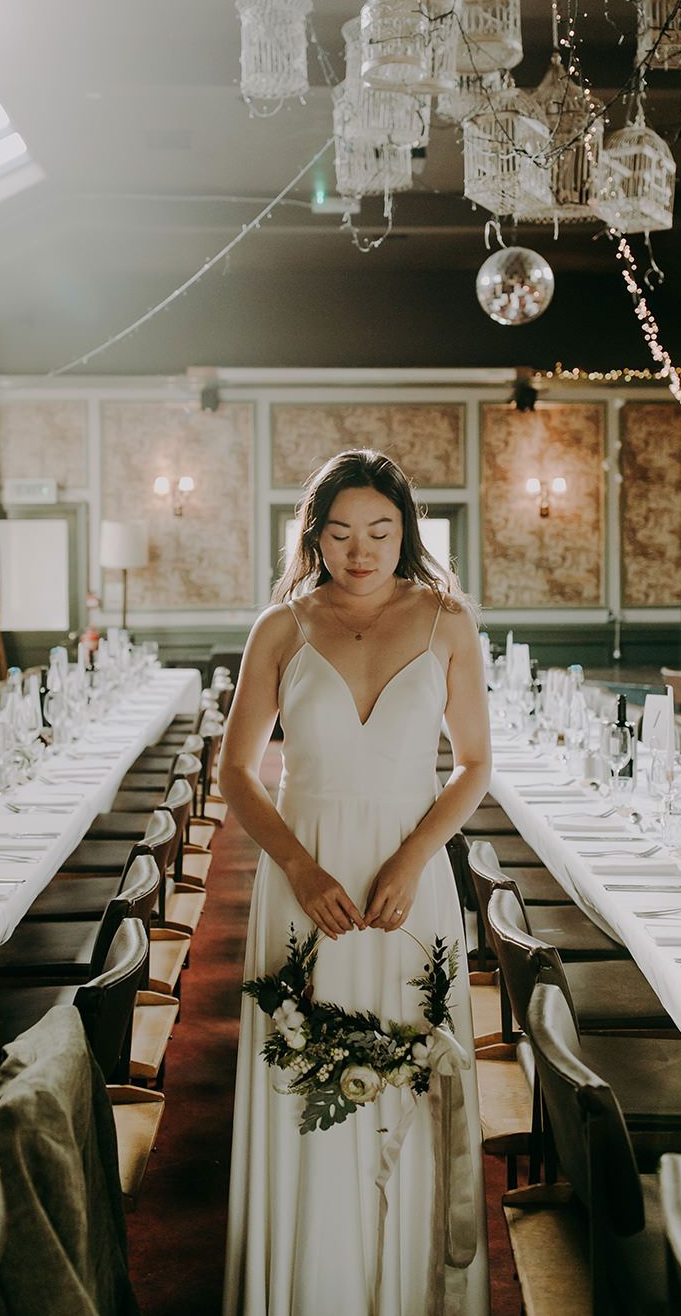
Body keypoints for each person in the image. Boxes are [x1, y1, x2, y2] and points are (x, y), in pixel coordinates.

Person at [220, 449, 491, 1316]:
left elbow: (476, 766)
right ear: (315, 533)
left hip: (410, 882)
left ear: (406, 529)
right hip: (306, 878)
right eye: (340, 531)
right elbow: (235, 772)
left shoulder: (448, 620)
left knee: (413, 1076)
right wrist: (297, 865)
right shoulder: (282, 625)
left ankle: (411, 1290)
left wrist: (416, 856)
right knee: (301, 1081)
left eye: (380, 529)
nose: (361, 549)